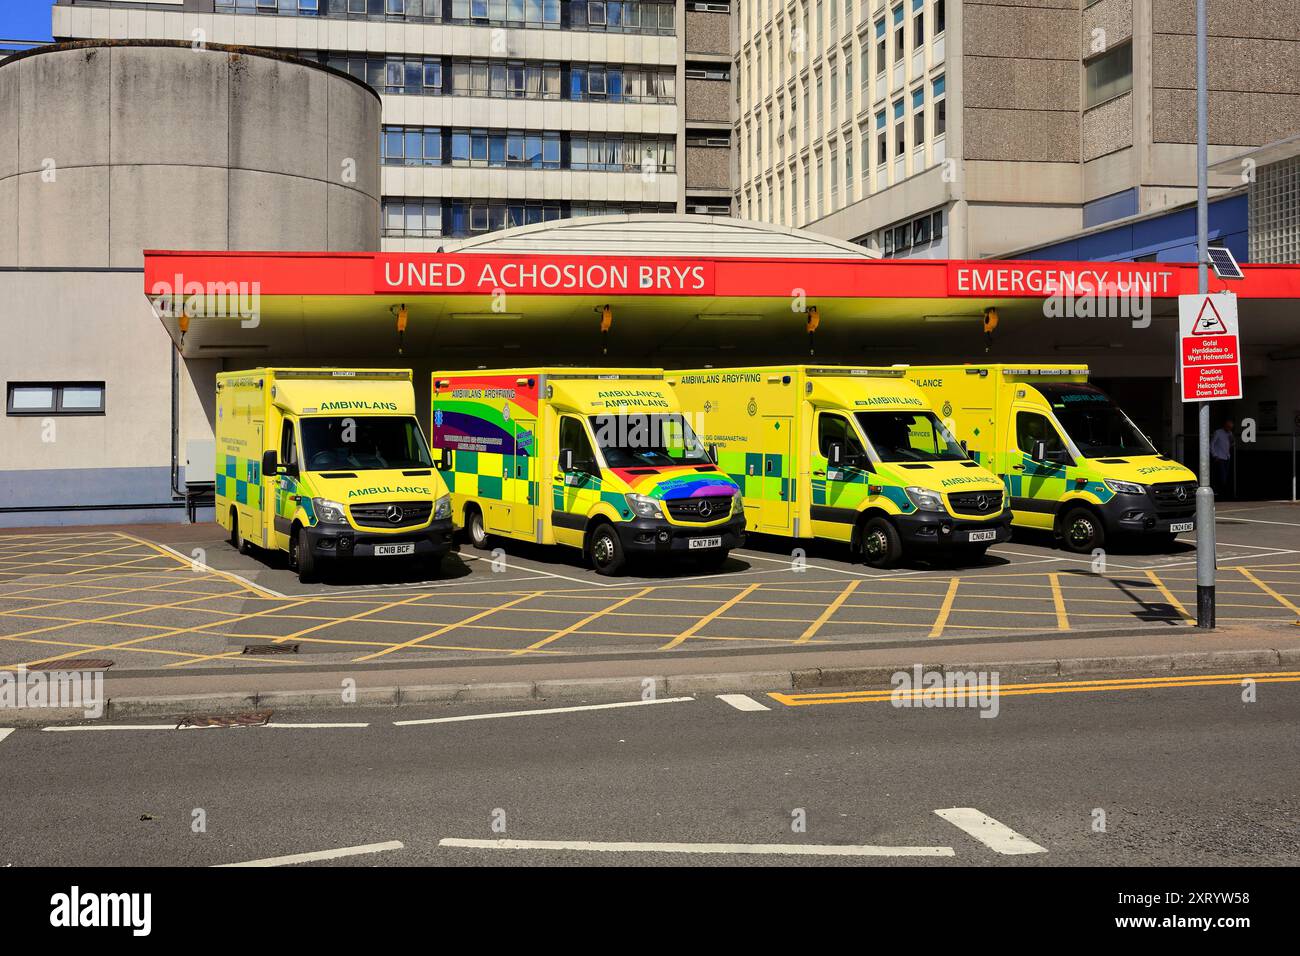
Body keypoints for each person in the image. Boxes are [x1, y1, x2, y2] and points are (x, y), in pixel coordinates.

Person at [1211, 418, 1234, 499]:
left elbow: (1231, 444)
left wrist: (1232, 441)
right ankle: (1220, 492)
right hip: (1219, 457)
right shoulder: (1218, 432)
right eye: (1228, 426)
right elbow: (1212, 444)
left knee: (1225, 475)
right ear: (1225, 425)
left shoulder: (1230, 433)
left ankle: (1222, 492)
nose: (1229, 428)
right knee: (1221, 476)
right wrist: (1214, 455)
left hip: (1227, 457)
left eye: (1230, 427)